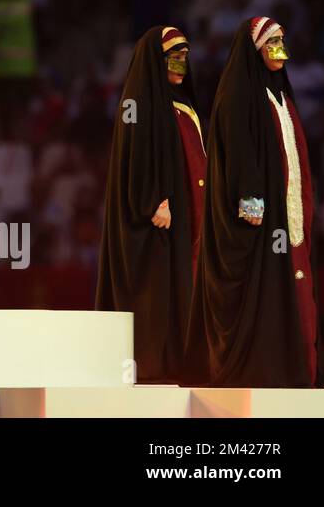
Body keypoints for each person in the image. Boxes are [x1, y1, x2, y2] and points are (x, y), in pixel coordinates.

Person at [186, 17, 322, 387]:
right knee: (265, 292)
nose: (279, 47)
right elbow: (240, 151)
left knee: (298, 292)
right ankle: (263, 373)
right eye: (272, 41)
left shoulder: (283, 97)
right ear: (257, 48)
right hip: (260, 218)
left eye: (282, 39)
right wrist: (252, 202)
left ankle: (296, 374)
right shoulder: (238, 94)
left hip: (289, 215)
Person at [96, 26, 205, 383]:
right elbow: (135, 159)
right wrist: (153, 201)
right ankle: (153, 373)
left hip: (189, 221)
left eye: (185, 57)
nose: (181, 64)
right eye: (173, 56)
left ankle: (185, 366)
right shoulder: (137, 103)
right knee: (155, 301)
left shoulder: (184, 104)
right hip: (157, 221)